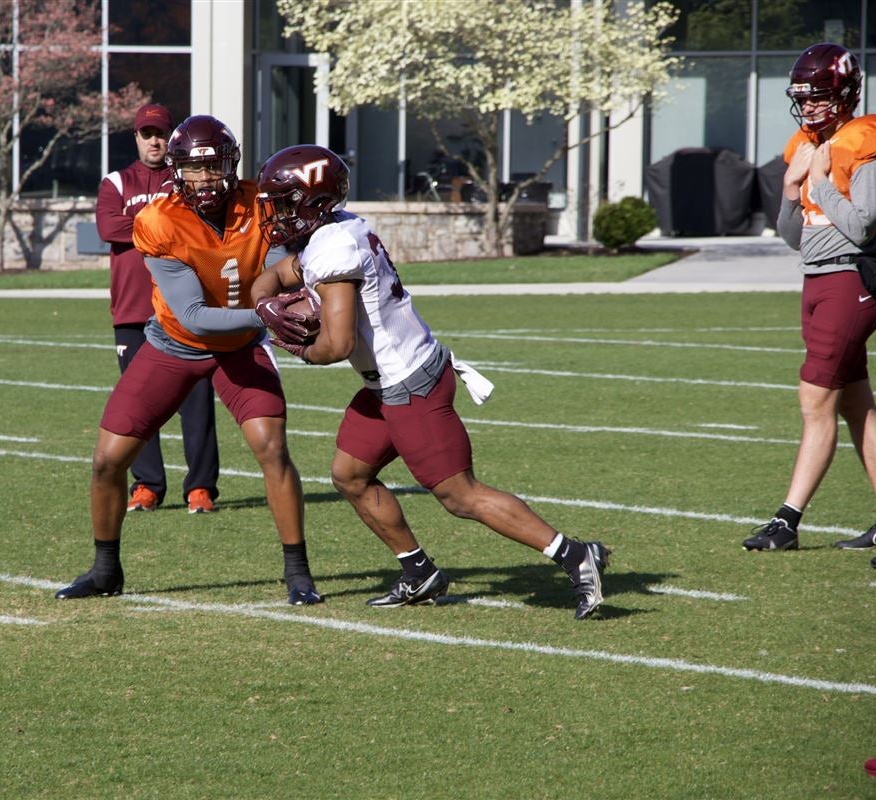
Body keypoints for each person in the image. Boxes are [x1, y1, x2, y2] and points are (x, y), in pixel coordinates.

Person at [248, 144, 610, 619]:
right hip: (389, 383)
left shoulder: (334, 247)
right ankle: (419, 572)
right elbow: (272, 275)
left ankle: (578, 556)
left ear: (312, 201)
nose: (275, 212)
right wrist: (265, 304)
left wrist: (296, 347)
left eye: (284, 200)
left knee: (460, 495)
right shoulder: (338, 229)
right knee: (350, 475)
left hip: (410, 384)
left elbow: (334, 346)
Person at [56, 116, 323, 605]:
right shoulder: (158, 219)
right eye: (191, 169)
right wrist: (267, 317)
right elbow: (196, 318)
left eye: (212, 167)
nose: (203, 179)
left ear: (230, 164)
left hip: (241, 349)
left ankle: (298, 572)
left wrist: (284, 302)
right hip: (174, 346)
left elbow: (277, 269)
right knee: (107, 461)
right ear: (176, 171)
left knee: (272, 449)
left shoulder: (260, 204)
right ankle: (104, 570)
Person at [743, 42, 876, 555]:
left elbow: (863, 226)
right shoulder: (806, 144)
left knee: (814, 398)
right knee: (856, 405)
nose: (810, 105)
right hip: (816, 278)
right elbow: (795, 236)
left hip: (852, 279)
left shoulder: (865, 143)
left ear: (844, 94)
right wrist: (790, 187)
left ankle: (787, 519)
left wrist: (820, 182)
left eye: (819, 96)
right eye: (803, 96)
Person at [95, 103, 220, 515]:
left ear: (172, 139)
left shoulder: (184, 180)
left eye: (161, 134)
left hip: (183, 308)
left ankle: (200, 488)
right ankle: (147, 485)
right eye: (146, 134)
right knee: (139, 404)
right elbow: (108, 227)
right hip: (131, 310)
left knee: (197, 401)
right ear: (135, 137)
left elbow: (197, 224)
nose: (154, 141)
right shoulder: (116, 181)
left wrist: (148, 224)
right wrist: (163, 225)